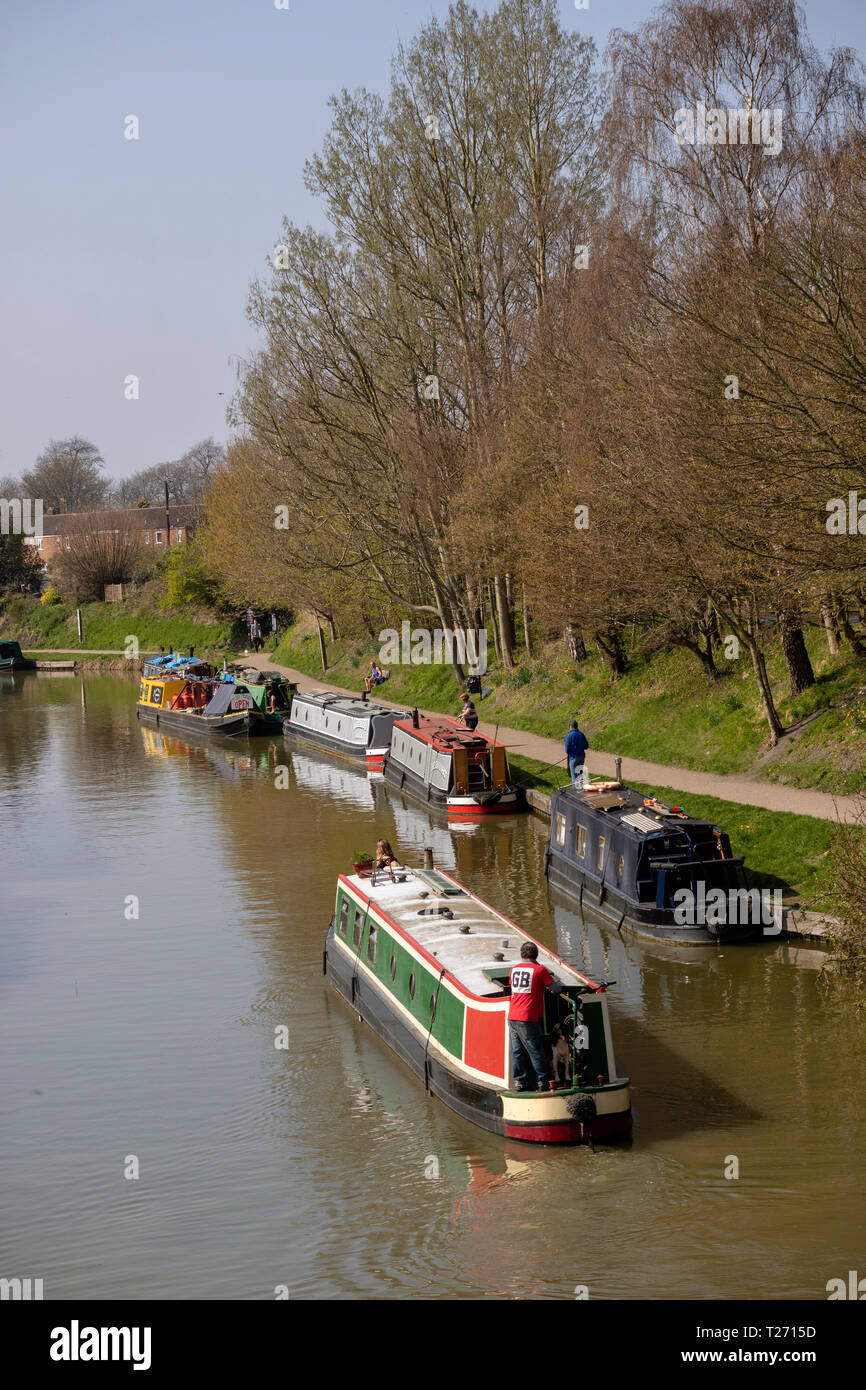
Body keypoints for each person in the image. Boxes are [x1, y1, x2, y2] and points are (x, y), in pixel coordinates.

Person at [508, 942, 563, 1092]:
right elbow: (555, 989)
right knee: (535, 1050)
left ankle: (520, 1082)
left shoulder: (513, 970)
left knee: (517, 1051)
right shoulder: (539, 970)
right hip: (528, 1017)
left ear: (521, 954)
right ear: (536, 955)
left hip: (512, 1016)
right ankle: (543, 1081)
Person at [565, 718, 589, 790]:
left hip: (573, 758)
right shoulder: (581, 734)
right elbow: (586, 746)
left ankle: (575, 791)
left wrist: (571, 752)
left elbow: (567, 749)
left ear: (571, 726)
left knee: (574, 776)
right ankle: (581, 789)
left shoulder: (569, 736)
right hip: (581, 757)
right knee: (580, 775)